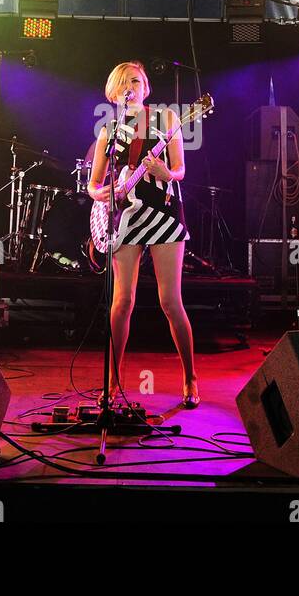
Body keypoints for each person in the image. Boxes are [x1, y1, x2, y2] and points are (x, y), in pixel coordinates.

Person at [87, 61, 200, 408]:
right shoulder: (108, 129)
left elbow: (180, 170)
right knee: (122, 301)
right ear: (113, 91)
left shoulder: (166, 118)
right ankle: (113, 381)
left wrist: (166, 171)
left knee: (170, 302)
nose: (130, 87)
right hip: (126, 217)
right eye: (123, 82)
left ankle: (190, 377)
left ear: (146, 86)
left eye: (136, 80)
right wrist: (99, 194)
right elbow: (93, 184)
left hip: (162, 214)